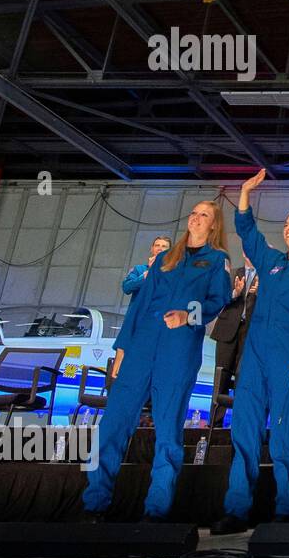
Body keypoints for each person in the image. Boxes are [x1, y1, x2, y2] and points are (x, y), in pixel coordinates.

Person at [82, 201, 231, 522]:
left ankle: (156, 510)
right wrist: (122, 350)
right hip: (141, 349)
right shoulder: (166, 258)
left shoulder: (218, 261)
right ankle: (94, 504)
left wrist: (188, 315)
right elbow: (138, 306)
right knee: (113, 425)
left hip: (178, 352)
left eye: (204, 214)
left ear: (214, 225)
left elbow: (218, 302)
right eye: (193, 212)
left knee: (168, 430)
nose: (195, 217)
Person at [212, 171, 289, 534]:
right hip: (255, 359)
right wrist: (244, 192)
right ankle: (237, 508)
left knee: (284, 434)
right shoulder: (272, 263)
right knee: (244, 431)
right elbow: (247, 230)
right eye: (288, 222)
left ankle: (287, 510)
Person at [209, 255, 258, 428]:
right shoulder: (233, 274)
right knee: (221, 375)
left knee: (242, 377)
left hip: (251, 332)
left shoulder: (266, 277)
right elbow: (219, 298)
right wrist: (234, 293)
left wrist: (262, 293)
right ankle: (215, 421)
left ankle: (239, 423)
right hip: (227, 328)